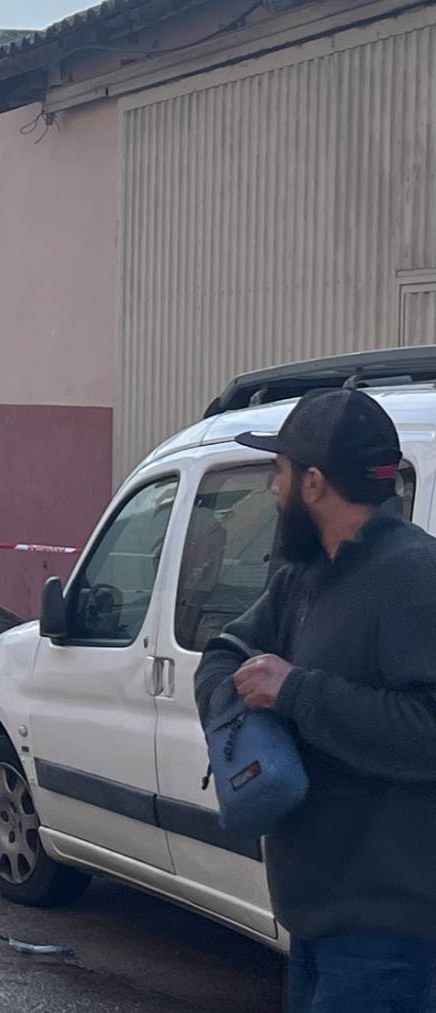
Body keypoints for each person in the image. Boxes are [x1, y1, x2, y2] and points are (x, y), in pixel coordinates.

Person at [194, 387, 436, 1012]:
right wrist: (246, 728)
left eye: (279, 471)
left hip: (388, 935)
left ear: (313, 484)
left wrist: (296, 692)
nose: (273, 488)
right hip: (312, 917)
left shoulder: (413, 576)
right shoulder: (304, 576)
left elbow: (427, 728)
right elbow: (223, 654)